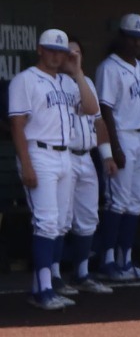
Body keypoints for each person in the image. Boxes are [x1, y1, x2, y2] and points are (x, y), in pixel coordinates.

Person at [9, 31, 98, 310]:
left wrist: (78, 72)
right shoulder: (25, 79)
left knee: (59, 224)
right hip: (39, 152)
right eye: (51, 50)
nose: (56, 56)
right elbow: (17, 125)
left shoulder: (67, 82)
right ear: (39, 50)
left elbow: (92, 108)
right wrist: (26, 163)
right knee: (46, 222)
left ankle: (43, 286)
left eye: (61, 52)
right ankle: (43, 291)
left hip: (65, 156)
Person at [95, 13, 140, 282]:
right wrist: (114, 148)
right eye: (133, 38)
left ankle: (126, 260)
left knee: (137, 202)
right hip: (121, 135)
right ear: (122, 37)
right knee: (118, 202)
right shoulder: (108, 67)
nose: (138, 44)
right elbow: (105, 110)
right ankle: (108, 260)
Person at [59, 60, 112, 296]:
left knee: (89, 217)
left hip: (86, 157)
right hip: (64, 155)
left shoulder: (86, 81)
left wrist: (107, 155)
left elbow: (98, 120)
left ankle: (81, 273)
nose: (72, 58)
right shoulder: (54, 83)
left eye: (78, 54)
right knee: (60, 219)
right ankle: (53, 275)